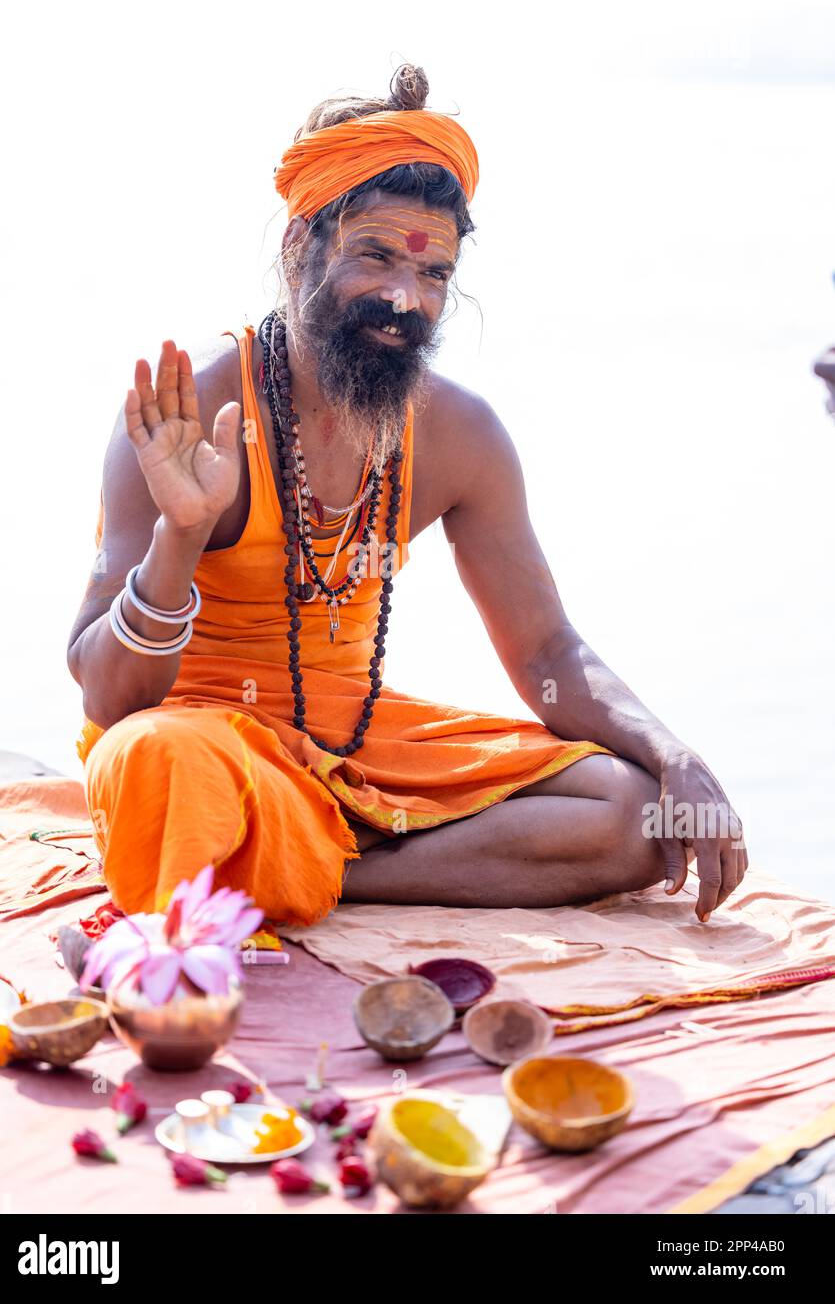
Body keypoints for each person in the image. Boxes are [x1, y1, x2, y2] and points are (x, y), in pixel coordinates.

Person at [67, 64, 746, 928]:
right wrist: (181, 533)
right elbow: (109, 700)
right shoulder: (193, 409)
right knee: (157, 760)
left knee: (645, 811)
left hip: (361, 745)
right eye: (374, 257)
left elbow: (543, 650)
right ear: (296, 248)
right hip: (204, 745)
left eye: (433, 276)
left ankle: (322, 871)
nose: (404, 298)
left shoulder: (459, 434)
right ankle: (296, 850)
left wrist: (670, 749)